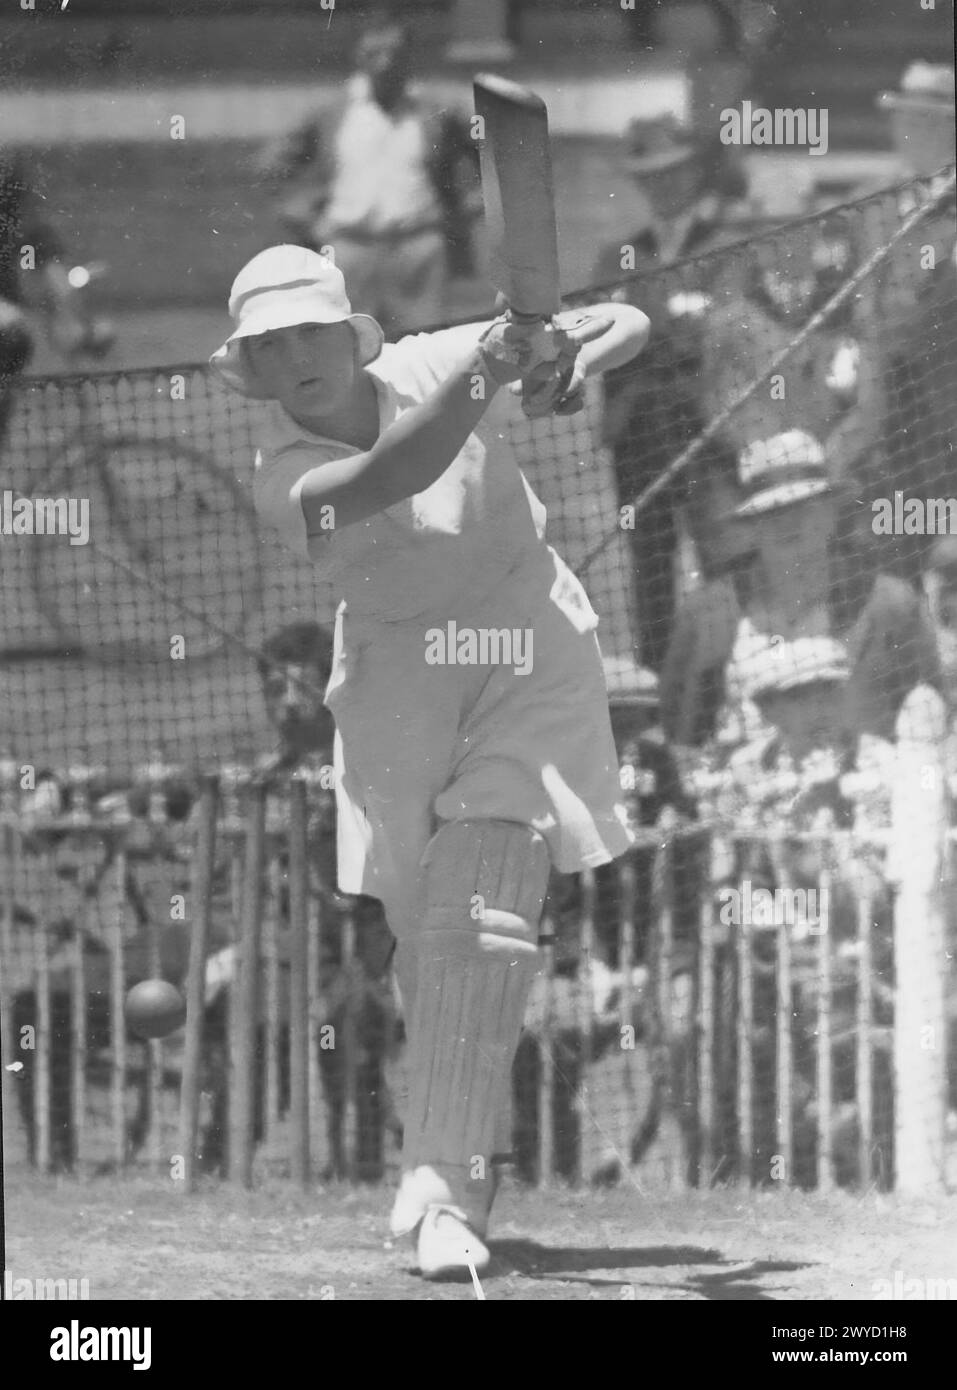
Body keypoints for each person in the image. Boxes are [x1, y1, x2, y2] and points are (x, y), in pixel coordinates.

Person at [210, 243, 648, 1278]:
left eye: (311, 329)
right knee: (432, 949)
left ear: (349, 333)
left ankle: (443, 1189)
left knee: (486, 909)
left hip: (526, 634)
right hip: (398, 684)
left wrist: (561, 362)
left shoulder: (429, 358)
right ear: (256, 370)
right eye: (271, 345)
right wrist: (494, 370)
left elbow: (627, 319)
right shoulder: (281, 472)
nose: (297, 355)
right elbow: (392, 470)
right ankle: (449, 1168)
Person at [660, 429, 942, 754]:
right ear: (752, 525)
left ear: (832, 512)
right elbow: (677, 739)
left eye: (802, 505)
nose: (788, 523)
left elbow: (938, 715)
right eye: (772, 512)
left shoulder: (891, 604)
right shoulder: (706, 615)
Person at [590, 115, 748, 668]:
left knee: (722, 550)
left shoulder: (729, 245)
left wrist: (649, 326)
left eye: (674, 172)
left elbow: (720, 328)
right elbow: (605, 333)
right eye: (651, 176)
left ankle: (725, 676)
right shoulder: (620, 257)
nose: (664, 185)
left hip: (707, 425)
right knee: (649, 562)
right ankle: (657, 680)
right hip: (638, 427)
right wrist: (671, 324)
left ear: (694, 173)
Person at [257, 21, 480, 336]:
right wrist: (303, 216)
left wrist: (470, 207)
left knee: (425, 347)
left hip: (418, 249)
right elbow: (271, 165)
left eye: (395, 53)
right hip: (348, 248)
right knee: (350, 346)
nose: (385, 62)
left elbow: (491, 153)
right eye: (374, 53)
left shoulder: (435, 111)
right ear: (359, 59)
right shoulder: (333, 114)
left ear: (409, 59)